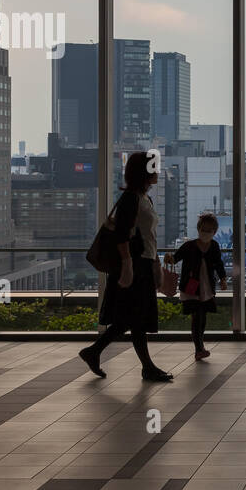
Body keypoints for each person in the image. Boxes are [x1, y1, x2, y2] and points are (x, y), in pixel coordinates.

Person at [79, 152, 174, 382]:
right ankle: (145, 366)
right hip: (132, 266)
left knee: (131, 318)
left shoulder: (143, 198)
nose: (158, 171)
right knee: (134, 318)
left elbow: (148, 236)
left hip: (142, 264)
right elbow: (122, 235)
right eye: (154, 167)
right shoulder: (132, 198)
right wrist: (128, 265)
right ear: (144, 171)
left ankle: (95, 352)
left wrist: (156, 263)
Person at [166, 211, 228, 360]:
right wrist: (170, 258)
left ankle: (199, 347)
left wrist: (223, 279)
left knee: (202, 316)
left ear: (214, 231)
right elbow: (175, 258)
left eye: (209, 231)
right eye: (204, 230)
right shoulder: (189, 246)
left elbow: (219, 264)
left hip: (206, 286)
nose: (206, 233)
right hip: (191, 287)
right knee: (198, 315)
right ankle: (199, 348)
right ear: (199, 229)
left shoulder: (214, 246)